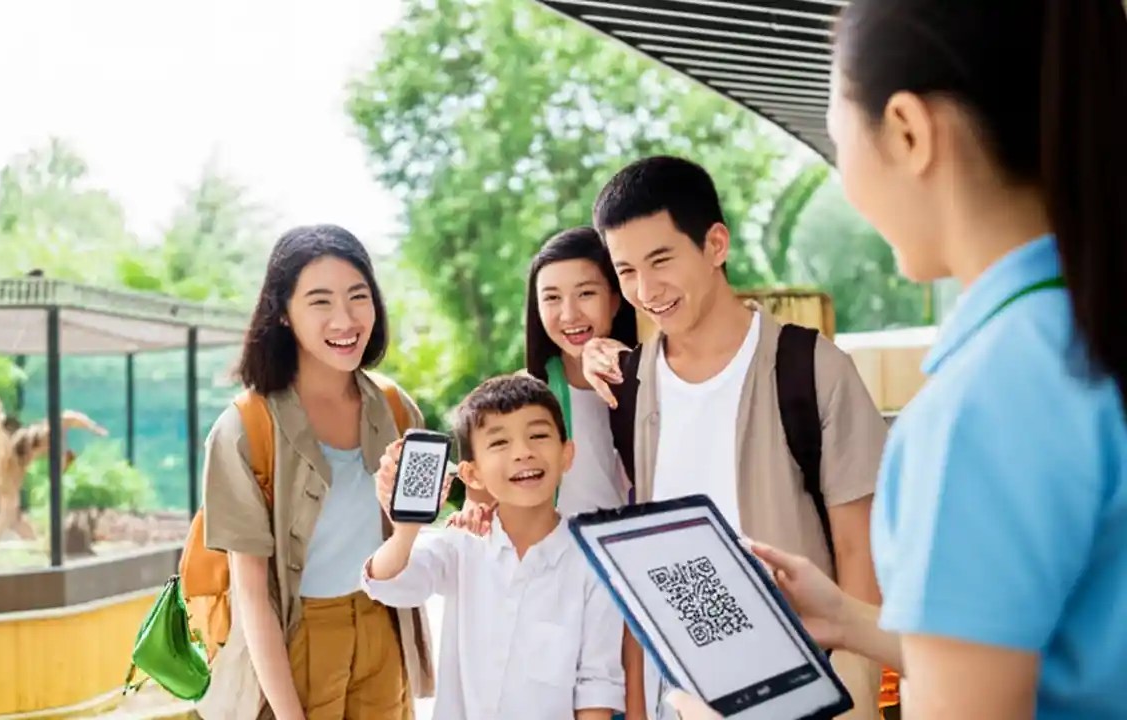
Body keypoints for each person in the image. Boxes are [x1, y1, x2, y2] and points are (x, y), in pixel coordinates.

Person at [667, 0, 1127, 717]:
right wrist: (851, 620)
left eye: (838, 135)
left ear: (909, 131)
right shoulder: (1077, 333)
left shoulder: (978, 407)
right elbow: (1064, 650)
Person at [580, 155, 885, 720]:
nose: (646, 289)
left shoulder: (811, 369)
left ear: (715, 245)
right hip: (684, 700)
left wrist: (854, 688)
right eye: (626, 271)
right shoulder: (629, 386)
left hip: (809, 692)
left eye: (661, 260)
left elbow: (858, 551)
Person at [201, 224, 434, 720]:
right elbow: (252, 596)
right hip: (294, 641)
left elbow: (413, 536)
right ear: (283, 313)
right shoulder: (244, 428)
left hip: (382, 628)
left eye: (358, 296)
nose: (345, 319)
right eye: (320, 301)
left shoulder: (397, 409)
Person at [363, 374, 626, 720]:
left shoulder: (593, 564)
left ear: (567, 454)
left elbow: (597, 685)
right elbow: (387, 585)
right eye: (500, 442)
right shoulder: (461, 546)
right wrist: (405, 530)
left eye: (538, 435)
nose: (523, 453)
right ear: (472, 474)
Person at [453, 226, 639, 533]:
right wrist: (474, 511)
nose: (569, 314)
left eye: (586, 293)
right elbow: (480, 495)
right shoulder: (526, 396)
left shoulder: (653, 378)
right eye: (552, 298)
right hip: (557, 555)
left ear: (616, 300)